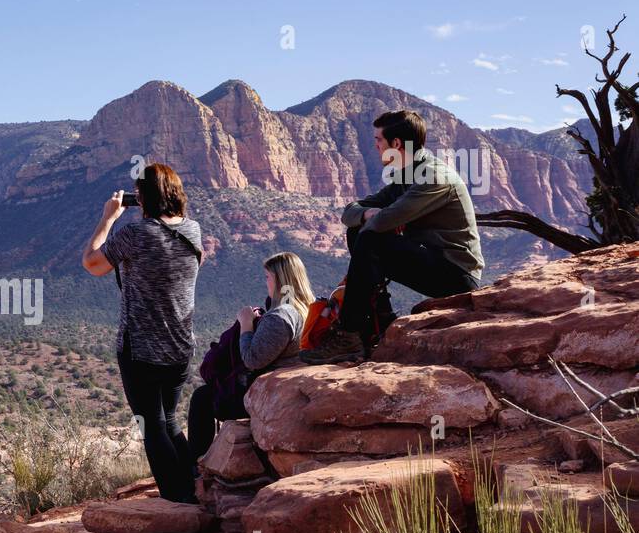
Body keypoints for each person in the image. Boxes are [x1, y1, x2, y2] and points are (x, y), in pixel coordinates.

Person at [299, 109, 484, 365]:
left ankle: (350, 333)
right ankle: (378, 321)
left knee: (370, 238)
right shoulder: (408, 175)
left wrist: (372, 217)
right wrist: (366, 215)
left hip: (457, 276)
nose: (374, 146)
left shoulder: (432, 176)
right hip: (433, 262)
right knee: (359, 232)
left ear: (396, 144)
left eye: (378, 140)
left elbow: (383, 221)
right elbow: (350, 212)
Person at [82, 163, 204, 504]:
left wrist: (108, 218)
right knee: (169, 420)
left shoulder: (136, 234)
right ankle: (194, 484)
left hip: (141, 349)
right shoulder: (193, 230)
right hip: (180, 345)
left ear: (143, 198)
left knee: (151, 425)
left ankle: (177, 498)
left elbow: (92, 263)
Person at [188, 252, 315, 461]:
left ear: (280, 279)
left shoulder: (281, 316)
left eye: (267, 277)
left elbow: (252, 359)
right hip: (290, 389)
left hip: (269, 396)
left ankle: (195, 466)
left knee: (202, 397)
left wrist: (246, 323)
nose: (266, 282)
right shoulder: (307, 308)